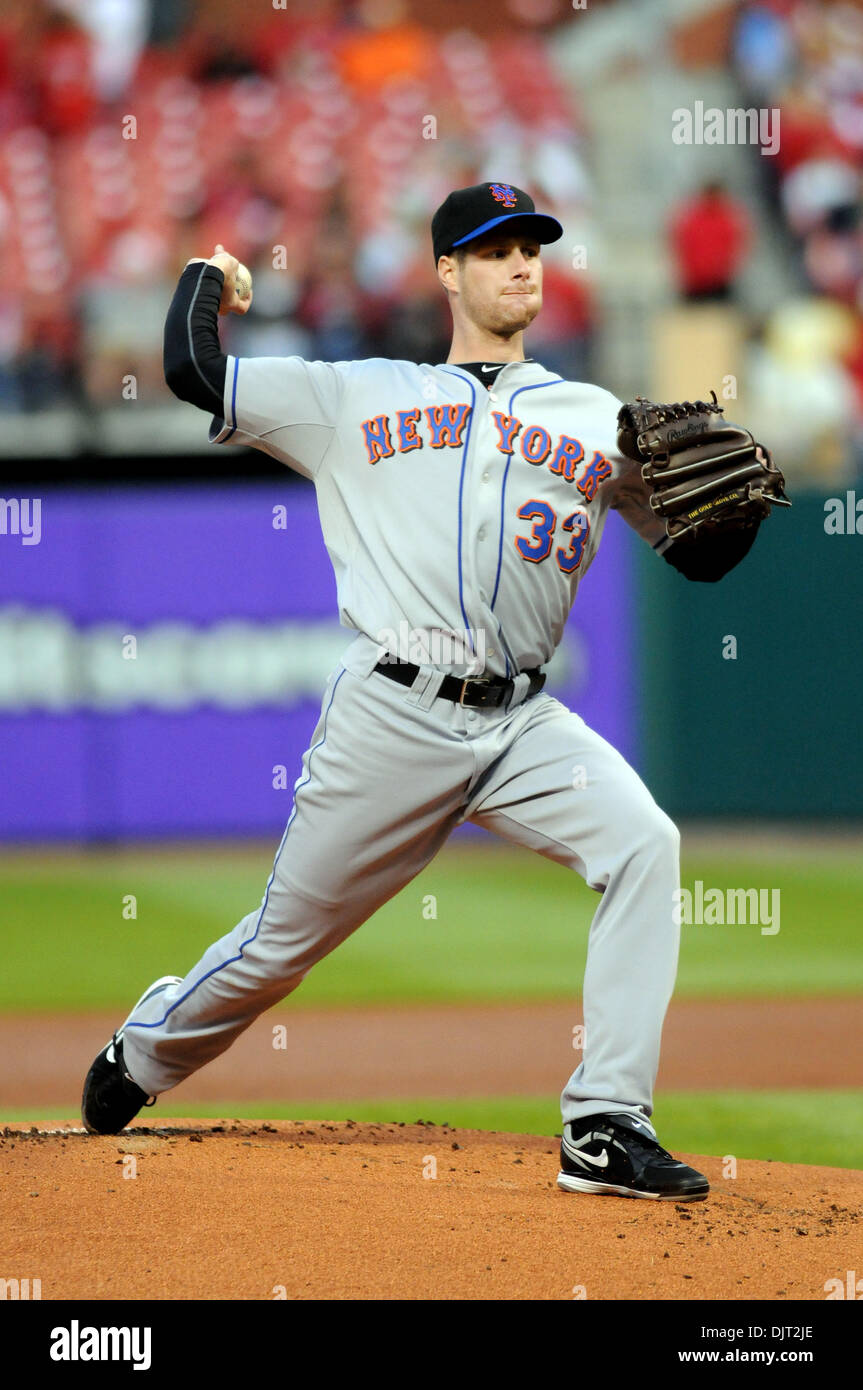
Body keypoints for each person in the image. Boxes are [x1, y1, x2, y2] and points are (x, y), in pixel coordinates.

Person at [81, 182, 764, 1200]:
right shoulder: (352, 394)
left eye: (531, 246)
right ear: (447, 272)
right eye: (493, 250)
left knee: (642, 844)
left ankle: (604, 1121)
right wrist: (205, 280)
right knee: (278, 949)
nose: (519, 264)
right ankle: (145, 1050)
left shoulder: (596, 418)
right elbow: (195, 370)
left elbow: (692, 555)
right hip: (390, 715)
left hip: (523, 721)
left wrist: (731, 521)